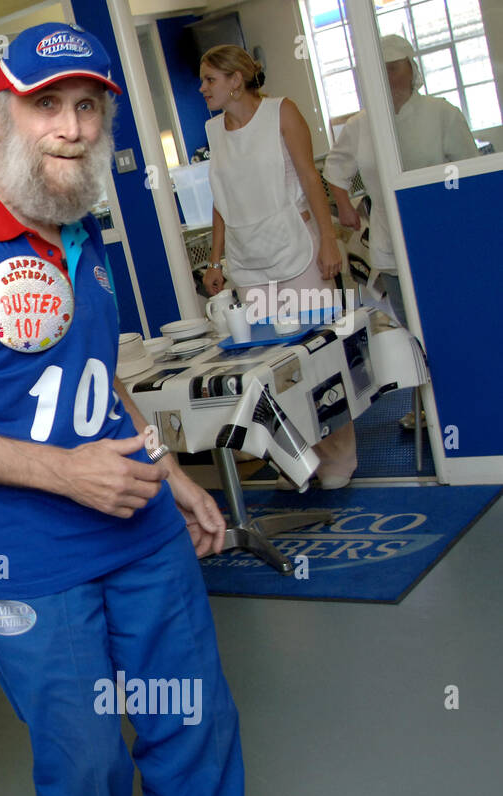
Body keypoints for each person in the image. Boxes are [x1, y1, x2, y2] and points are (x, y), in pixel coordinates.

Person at [0, 22, 246, 796]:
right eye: (49, 105)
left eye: (87, 106)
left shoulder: (75, 222)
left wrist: (168, 470)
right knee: (87, 762)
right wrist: (63, 473)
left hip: (140, 529)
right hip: (29, 557)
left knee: (191, 726)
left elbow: (93, 376)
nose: (72, 127)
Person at [198, 44, 355, 488]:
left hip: (296, 248)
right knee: (270, 368)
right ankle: (295, 458)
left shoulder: (281, 112)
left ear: (235, 80)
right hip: (249, 263)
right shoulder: (213, 131)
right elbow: (221, 199)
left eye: (209, 79)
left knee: (316, 357)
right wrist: (216, 259)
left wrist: (328, 240)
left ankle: (338, 457)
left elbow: (310, 176)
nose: (202, 87)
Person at [324, 34, 477, 432]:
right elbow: (335, 169)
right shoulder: (361, 124)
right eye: (382, 69)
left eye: (395, 67)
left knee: (454, 324)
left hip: (443, 243)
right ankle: (430, 406)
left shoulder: (441, 113)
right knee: (415, 332)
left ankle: (469, 401)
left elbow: (469, 172)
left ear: (412, 68)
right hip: (392, 247)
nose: (389, 76)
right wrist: (344, 206)